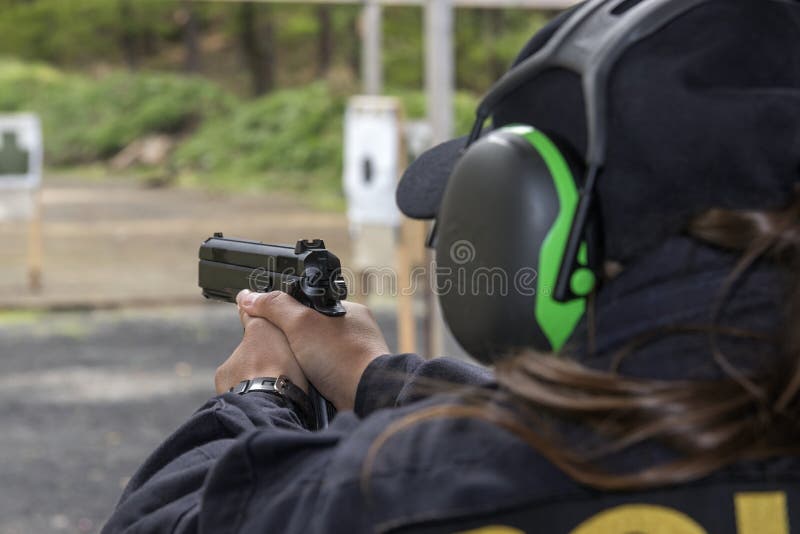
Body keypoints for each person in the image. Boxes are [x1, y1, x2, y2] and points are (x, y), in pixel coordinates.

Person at [103, 0, 800, 532]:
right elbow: (644, 410)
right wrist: (382, 381)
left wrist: (257, 397)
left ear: (522, 225)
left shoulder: (427, 489)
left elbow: (165, 518)